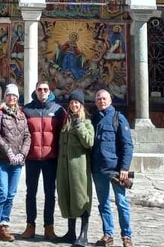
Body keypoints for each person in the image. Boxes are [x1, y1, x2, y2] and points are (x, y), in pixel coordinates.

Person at [21, 81, 65, 240]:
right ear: (35, 91)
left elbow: (64, 131)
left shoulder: (58, 110)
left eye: (45, 89)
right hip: (32, 158)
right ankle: (30, 225)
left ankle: (49, 226)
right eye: (39, 89)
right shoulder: (27, 109)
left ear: (49, 91)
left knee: (49, 194)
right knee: (30, 193)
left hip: (50, 158)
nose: (42, 92)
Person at [91, 89, 134, 247]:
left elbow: (128, 145)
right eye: (98, 99)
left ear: (110, 100)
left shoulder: (118, 118)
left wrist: (124, 167)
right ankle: (108, 234)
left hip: (116, 170)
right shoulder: (94, 119)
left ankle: (126, 236)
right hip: (98, 169)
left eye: (104, 98)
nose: (101, 101)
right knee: (103, 203)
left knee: (121, 202)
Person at [0, 83, 31, 243]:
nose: (11, 98)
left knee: (11, 195)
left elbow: (27, 135)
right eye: (9, 95)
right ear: (5, 97)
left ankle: (4, 226)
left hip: (17, 162)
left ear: (17, 98)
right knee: (2, 193)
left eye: (14, 95)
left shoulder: (21, 115)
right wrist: (8, 152)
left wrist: (22, 154)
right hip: (2, 159)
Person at [57, 89, 94, 247]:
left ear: (82, 105)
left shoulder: (87, 123)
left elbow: (89, 142)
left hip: (79, 170)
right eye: (72, 103)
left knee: (81, 199)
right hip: (65, 169)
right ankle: (70, 233)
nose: (73, 105)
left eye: (76, 103)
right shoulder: (66, 122)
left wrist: (79, 124)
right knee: (68, 196)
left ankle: (83, 235)